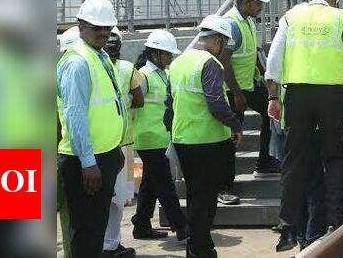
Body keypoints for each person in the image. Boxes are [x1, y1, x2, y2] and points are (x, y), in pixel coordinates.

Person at [266, 0, 343, 252]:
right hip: (331, 96)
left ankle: (288, 228)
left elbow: (273, 62)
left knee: (294, 159)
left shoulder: (291, 17)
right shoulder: (341, 18)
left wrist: (272, 97)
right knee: (333, 155)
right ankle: (337, 218)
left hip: (298, 95)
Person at [169, 15, 244, 258]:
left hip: (183, 139)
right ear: (217, 40)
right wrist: (235, 125)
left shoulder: (179, 62)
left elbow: (169, 104)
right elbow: (216, 103)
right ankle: (200, 249)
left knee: (195, 196)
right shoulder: (210, 63)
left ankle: (197, 246)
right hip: (207, 142)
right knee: (206, 200)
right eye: (224, 44)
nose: (224, 50)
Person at [57, 0, 126, 258]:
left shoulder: (101, 56)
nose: (103, 33)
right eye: (96, 27)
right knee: (85, 233)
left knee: (95, 229)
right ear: (81, 26)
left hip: (103, 155)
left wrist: (114, 148)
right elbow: (75, 117)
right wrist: (88, 163)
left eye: (107, 28)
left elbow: (110, 107)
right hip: (85, 161)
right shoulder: (78, 63)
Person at [220, 0, 275, 207]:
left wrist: (264, 73)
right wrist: (238, 94)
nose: (261, 7)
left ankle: (264, 161)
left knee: (271, 113)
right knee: (232, 137)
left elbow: (252, 52)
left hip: (250, 84)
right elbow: (225, 62)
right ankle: (224, 188)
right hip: (234, 90)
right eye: (258, 3)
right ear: (246, 2)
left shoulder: (248, 21)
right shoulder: (232, 23)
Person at [130, 30, 188, 241]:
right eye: (167, 54)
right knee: (164, 184)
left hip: (159, 137)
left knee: (150, 183)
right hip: (148, 138)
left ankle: (141, 225)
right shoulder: (143, 75)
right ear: (155, 54)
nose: (171, 58)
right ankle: (181, 225)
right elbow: (133, 103)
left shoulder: (163, 73)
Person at [102, 29, 144, 258]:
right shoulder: (125, 68)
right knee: (116, 199)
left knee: (115, 199)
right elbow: (139, 99)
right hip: (117, 143)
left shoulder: (111, 68)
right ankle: (109, 243)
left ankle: (109, 243)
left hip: (115, 143)